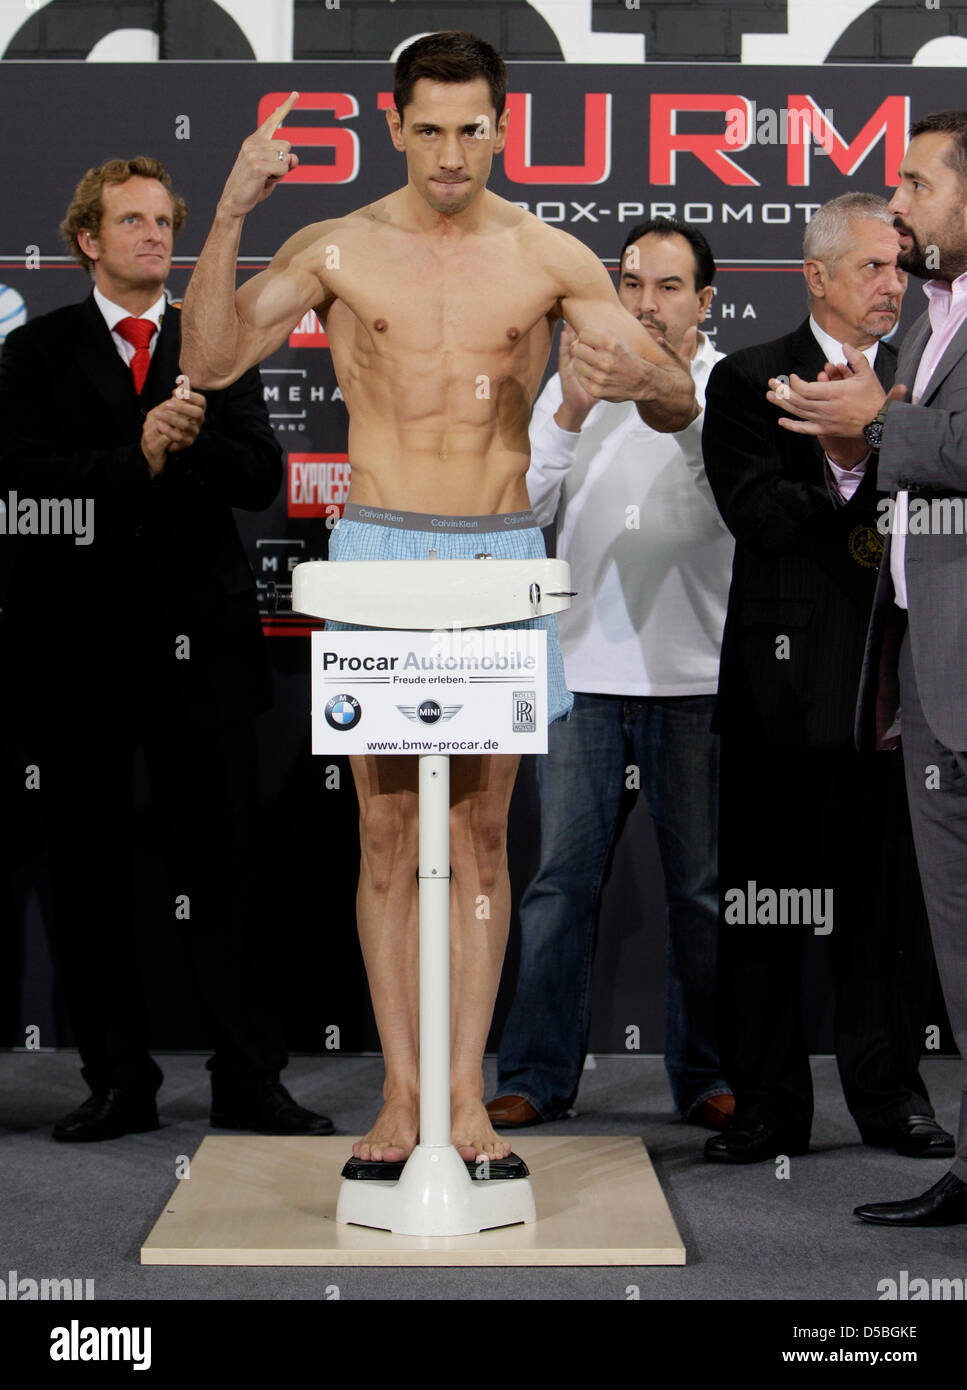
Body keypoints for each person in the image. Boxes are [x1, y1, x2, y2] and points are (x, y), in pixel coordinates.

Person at [180, 30, 696, 1162]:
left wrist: (645, 378)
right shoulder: (337, 247)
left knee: (477, 839)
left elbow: (671, 405)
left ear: (502, 128)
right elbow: (213, 360)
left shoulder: (550, 255)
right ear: (393, 123)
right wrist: (227, 214)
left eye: (472, 129)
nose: (452, 153)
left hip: (496, 557)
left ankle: (465, 1095)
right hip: (377, 556)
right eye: (430, 128)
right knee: (380, 834)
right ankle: (400, 1099)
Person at [0, 156, 333, 1140]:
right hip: (77, 660)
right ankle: (117, 1080)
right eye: (132, 221)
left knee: (228, 870)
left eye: (164, 220)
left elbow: (261, 475)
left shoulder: (211, 337)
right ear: (88, 241)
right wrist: (135, 455)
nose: (155, 235)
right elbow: (24, 492)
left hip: (207, 656)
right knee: (87, 874)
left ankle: (249, 1077)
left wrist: (195, 441)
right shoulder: (35, 354)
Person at [701, 193, 952, 1166]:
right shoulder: (747, 377)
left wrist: (881, 433)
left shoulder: (924, 382)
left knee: (885, 919)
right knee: (763, 910)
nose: (893, 285)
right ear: (815, 276)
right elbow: (756, 513)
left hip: (898, 690)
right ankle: (767, 1109)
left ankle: (891, 1104)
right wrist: (851, 467)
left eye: (902, 267)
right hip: (779, 693)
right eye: (872, 268)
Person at [487, 219, 735, 1133]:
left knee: (701, 892)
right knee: (556, 885)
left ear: (704, 302)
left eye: (669, 288)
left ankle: (704, 1076)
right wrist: (566, 412)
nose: (644, 304)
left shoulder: (729, 390)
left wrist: (677, 409)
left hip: (699, 681)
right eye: (631, 284)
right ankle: (536, 1075)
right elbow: (520, 510)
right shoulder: (570, 388)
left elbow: (741, 509)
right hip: (579, 678)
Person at [773, 114, 967, 1225]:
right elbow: (896, 476)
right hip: (925, 676)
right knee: (956, 944)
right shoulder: (919, 328)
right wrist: (851, 447)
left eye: (918, 184)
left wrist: (883, 421)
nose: (897, 206)